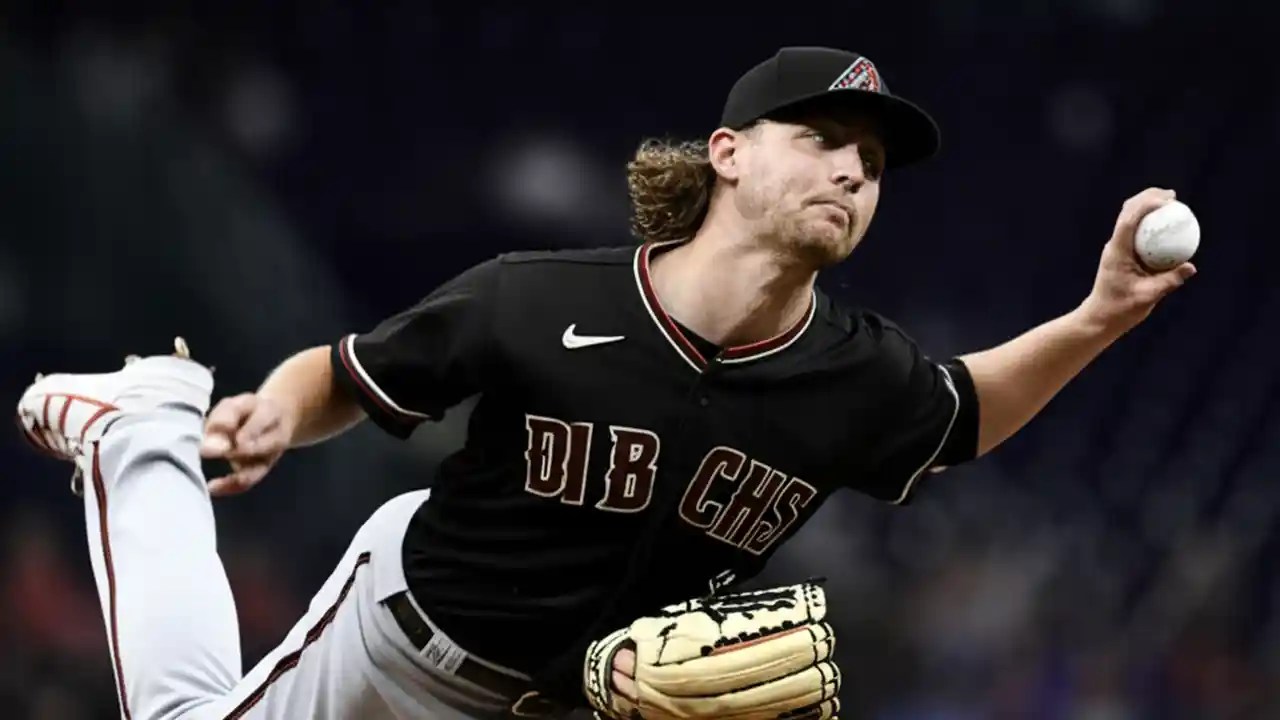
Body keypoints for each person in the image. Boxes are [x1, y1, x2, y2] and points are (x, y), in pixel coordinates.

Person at [15, 46, 1196, 720]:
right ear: (726, 154)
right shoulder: (537, 299)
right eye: (822, 139)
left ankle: (140, 433)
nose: (851, 168)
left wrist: (1096, 318)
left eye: (872, 162)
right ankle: (145, 438)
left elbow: (965, 411)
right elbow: (348, 374)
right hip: (402, 653)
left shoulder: (856, 375)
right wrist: (276, 409)